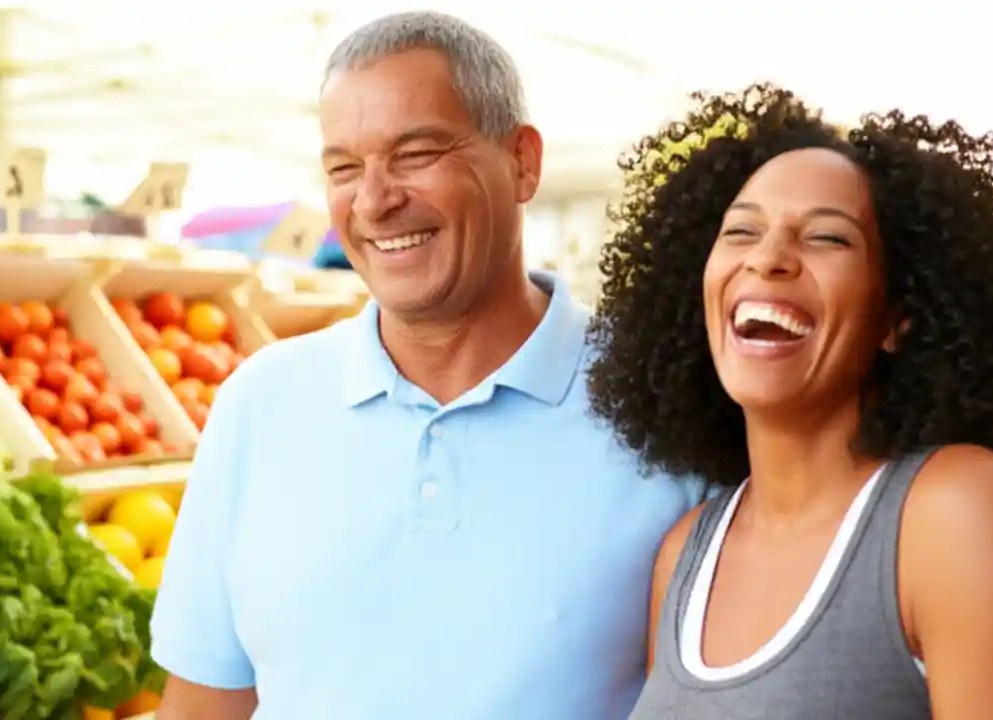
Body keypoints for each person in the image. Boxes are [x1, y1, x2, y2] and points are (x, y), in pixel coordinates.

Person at [150, 12, 705, 719]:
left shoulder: (665, 407)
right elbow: (203, 705)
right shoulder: (259, 404)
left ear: (522, 162)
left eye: (415, 154)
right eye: (344, 168)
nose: (376, 201)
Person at [586, 84, 993, 718]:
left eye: (826, 239)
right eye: (741, 231)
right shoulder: (686, 556)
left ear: (898, 317)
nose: (767, 259)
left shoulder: (956, 512)